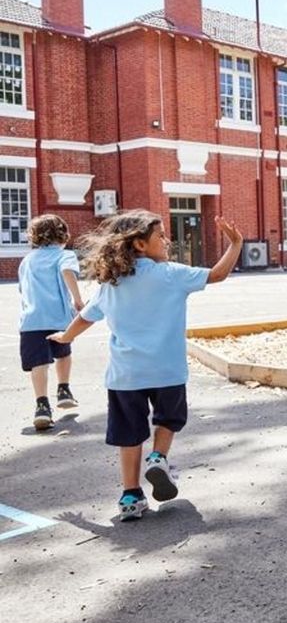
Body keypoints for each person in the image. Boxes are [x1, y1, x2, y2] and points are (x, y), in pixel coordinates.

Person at [48, 210, 243, 521]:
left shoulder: (111, 284)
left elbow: (85, 317)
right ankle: (158, 457)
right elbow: (217, 274)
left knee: (128, 434)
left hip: (126, 375)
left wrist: (64, 336)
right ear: (139, 244)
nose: (167, 241)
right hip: (167, 370)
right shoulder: (171, 274)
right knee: (168, 419)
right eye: (160, 236)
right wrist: (235, 244)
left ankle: (130, 496)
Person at [18, 214, 85, 431]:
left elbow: (23, 288)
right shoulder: (64, 255)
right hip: (58, 317)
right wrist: (77, 299)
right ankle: (64, 389)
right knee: (64, 352)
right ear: (63, 234)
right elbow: (67, 272)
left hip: (32, 319)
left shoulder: (27, 260)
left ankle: (42, 406)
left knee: (39, 363)